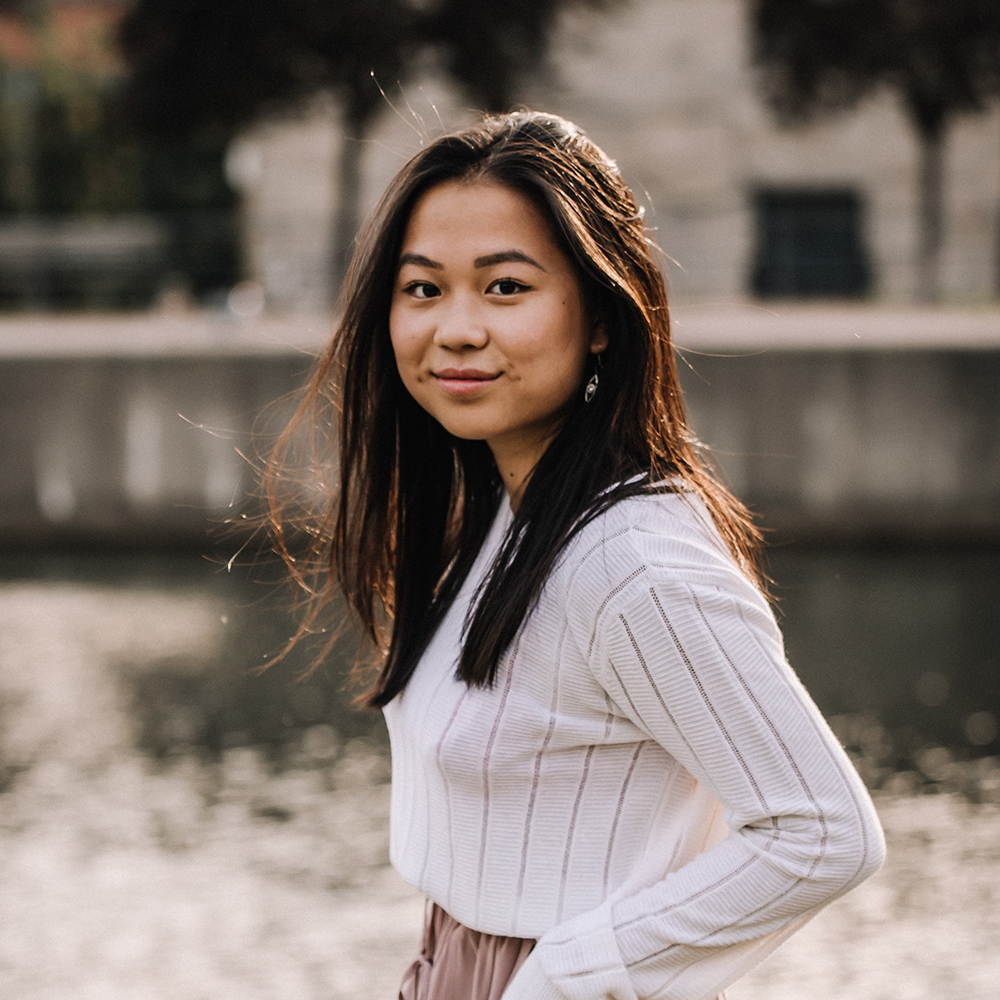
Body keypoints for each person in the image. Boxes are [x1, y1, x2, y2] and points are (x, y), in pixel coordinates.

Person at [265, 110, 885, 1000]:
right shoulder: (505, 517)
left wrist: (569, 973)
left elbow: (824, 831)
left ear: (601, 315)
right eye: (424, 289)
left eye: (506, 288)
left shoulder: (633, 564)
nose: (457, 329)